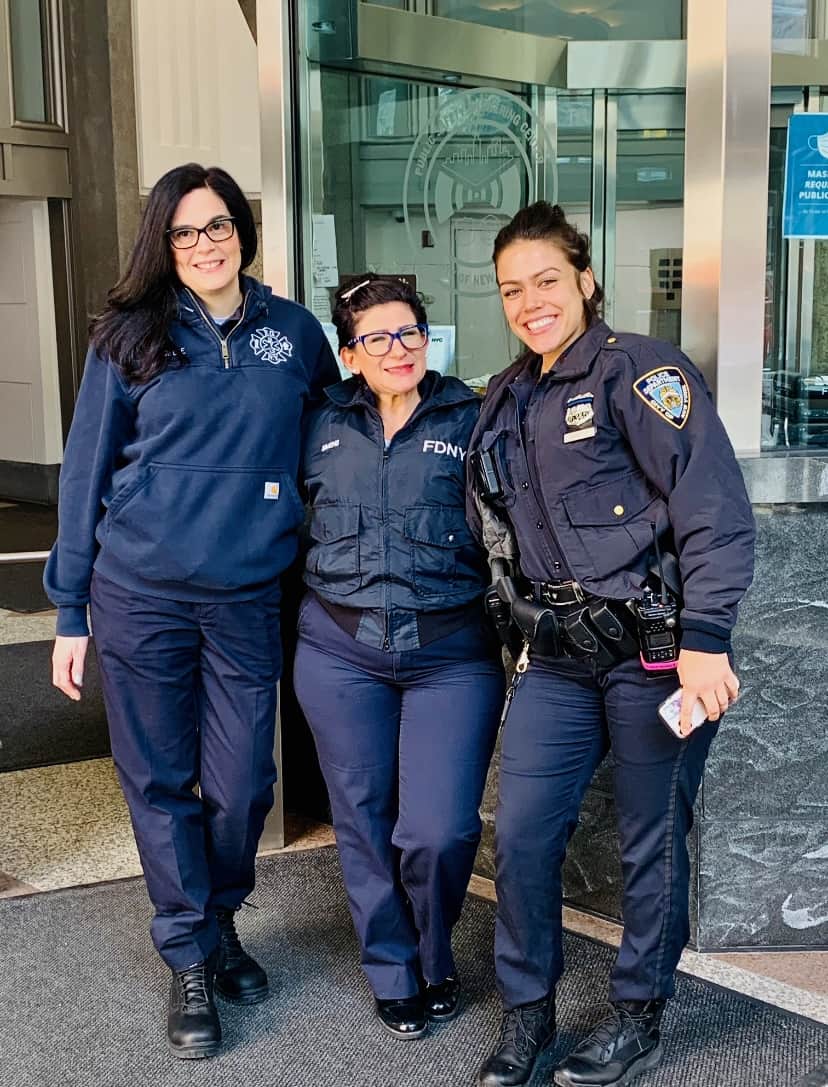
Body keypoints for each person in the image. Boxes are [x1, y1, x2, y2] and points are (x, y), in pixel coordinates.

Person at [44, 163, 339, 1059]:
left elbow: (332, 440)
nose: (204, 244)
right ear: (162, 245)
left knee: (247, 780)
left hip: (248, 595)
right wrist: (69, 608)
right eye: (185, 232)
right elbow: (86, 470)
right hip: (141, 595)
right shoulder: (127, 337)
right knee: (160, 778)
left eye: (218, 226)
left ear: (244, 231)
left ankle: (214, 916)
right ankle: (190, 954)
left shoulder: (292, 332)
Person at [467, 202, 755, 1087]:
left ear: (585, 279)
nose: (531, 301)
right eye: (513, 288)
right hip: (555, 657)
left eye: (547, 280)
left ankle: (638, 1014)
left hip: (654, 656)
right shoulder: (507, 396)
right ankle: (527, 1015)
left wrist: (707, 639)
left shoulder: (642, 373)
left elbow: (714, 510)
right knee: (520, 835)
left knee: (651, 838)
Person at [293, 274, 504, 1041]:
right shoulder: (317, 423)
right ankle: (392, 966)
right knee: (363, 818)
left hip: (451, 653)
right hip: (340, 651)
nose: (397, 349)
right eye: (376, 337)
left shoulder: (473, 418)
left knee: (439, 828)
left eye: (409, 332)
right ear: (349, 354)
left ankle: (434, 948)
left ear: (428, 338)